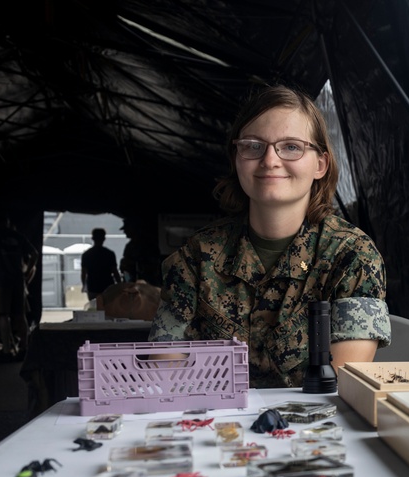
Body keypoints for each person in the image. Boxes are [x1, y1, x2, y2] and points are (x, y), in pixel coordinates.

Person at [149, 85, 391, 388]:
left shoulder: (352, 256)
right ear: (237, 159)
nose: (270, 160)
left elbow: (340, 386)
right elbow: (165, 376)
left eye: (291, 146)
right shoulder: (197, 256)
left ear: (320, 164)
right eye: (253, 146)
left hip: (314, 431)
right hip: (214, 429)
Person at [0, 217, 39, 362]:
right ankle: (24, 349)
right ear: (8, 222)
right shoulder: (17, 236)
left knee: (3, 315)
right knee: (20, 315)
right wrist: (26, 273)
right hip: (18, 281)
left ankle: (6, 351)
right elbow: (34, 254)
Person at [81, 228, 120, 300]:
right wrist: (120, 285)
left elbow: (84, 273)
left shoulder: (86, 254)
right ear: (104, 238)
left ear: (92, 238)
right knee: (108, 307)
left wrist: (84, 285)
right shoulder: (110, 254)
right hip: (108, 286)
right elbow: (115, 271)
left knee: (95, 307)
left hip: (92, 286)